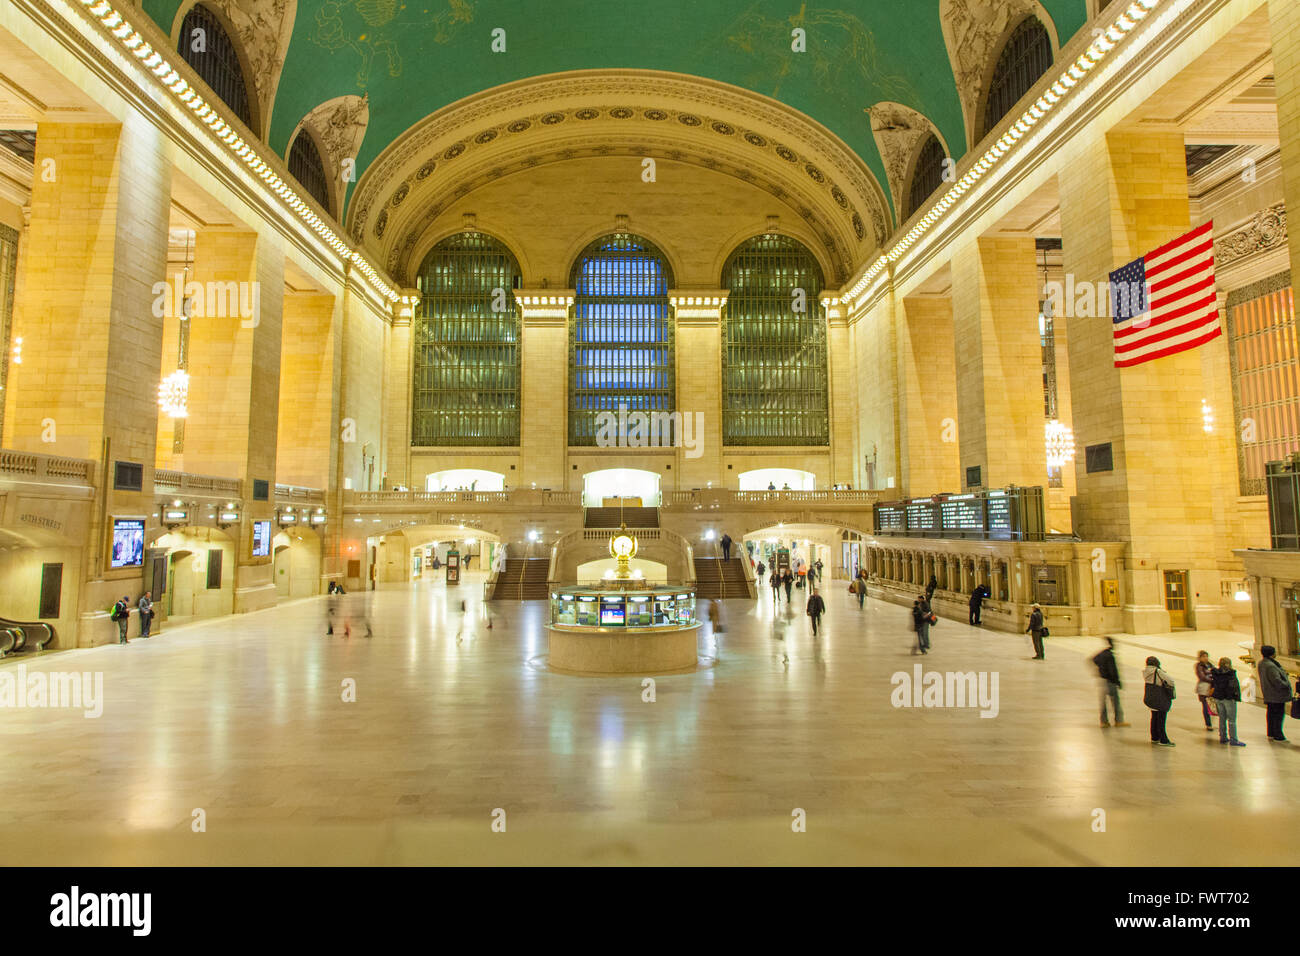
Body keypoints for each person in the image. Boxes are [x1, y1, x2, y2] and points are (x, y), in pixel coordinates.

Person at [1258, 645, 1293, 742]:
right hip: (1276, 695)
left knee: (1271, 714)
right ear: (1272, 654)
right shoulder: (1271, 666)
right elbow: (1276, 680)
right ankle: (1278, 734)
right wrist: (1286, 684)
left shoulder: (1262, 663)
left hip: (1269, 693)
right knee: (1278, 715)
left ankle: (1271, 733)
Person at [1093, 637, 1128, 728]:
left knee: (1103, 702)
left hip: (1103, 680)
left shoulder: (1102, 653)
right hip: (1110, 681)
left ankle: (1104, 722)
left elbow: (1094, 659)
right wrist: (1118, 682)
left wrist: (1100, 670)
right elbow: (1113, 671)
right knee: (1116, 702)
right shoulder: (1110, 656)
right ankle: (1118, 721)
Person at [1211, 656, 1245, 746]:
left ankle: (1223, 736)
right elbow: (1233, 687)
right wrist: (1236, 697)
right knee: (1232, 720)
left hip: (1218, 698)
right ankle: (1233, 739)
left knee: (1222, 718)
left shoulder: (1215, 673)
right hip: (1228, 699)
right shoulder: (1230, 674)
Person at [1143, 655, 1176, 746]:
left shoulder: (1146, 672)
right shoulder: (1157, 671)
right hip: (1159, 698)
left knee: (1154, 717)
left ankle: (1154, 737)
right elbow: (1171, 681)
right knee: (1161, 718)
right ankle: (1163, 739)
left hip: (1150, 697)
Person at [1194, 650, 1215, 731]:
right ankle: (1208, 724)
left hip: (1211, 688)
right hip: (1203, 689)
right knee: (1205, 706)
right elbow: (1202, 677)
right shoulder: (1199, 666)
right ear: (1199, 658)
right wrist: (1212, 680)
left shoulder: (1210, 665)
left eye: (1206, 656)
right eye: (1203, 656)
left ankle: (1211, 722)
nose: (1205, 658)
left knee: (1212, 706)